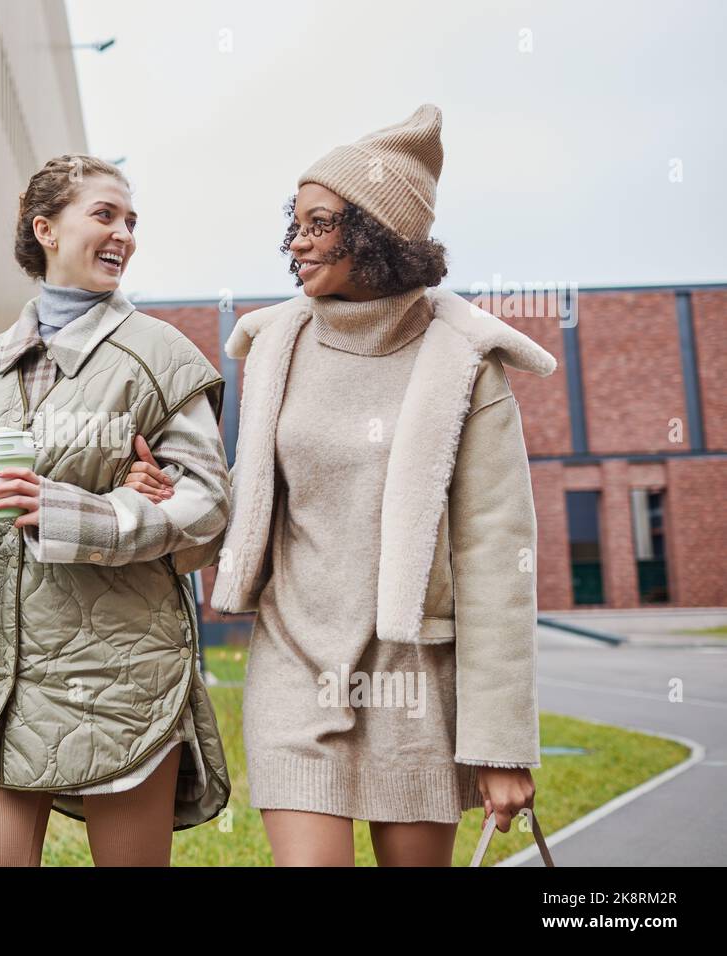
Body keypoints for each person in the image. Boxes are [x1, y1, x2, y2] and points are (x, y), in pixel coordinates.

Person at [124, 104, 556, 865]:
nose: (297, 240)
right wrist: (177, 499)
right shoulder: (276, 343)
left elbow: (497, 559)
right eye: (294, 222)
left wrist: (502, 744)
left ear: (378, 236)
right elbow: (254, 511)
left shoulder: (463, 365)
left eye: (320, 224)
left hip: (414, 681)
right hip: (293, 669)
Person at [0, 154, 234, 866]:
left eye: (131, 221)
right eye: (105, 215)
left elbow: (207, 503)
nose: (123, 234)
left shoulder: (162, 356)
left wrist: (82, 513)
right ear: (46, 230)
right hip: (4, 668)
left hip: (122, 668)